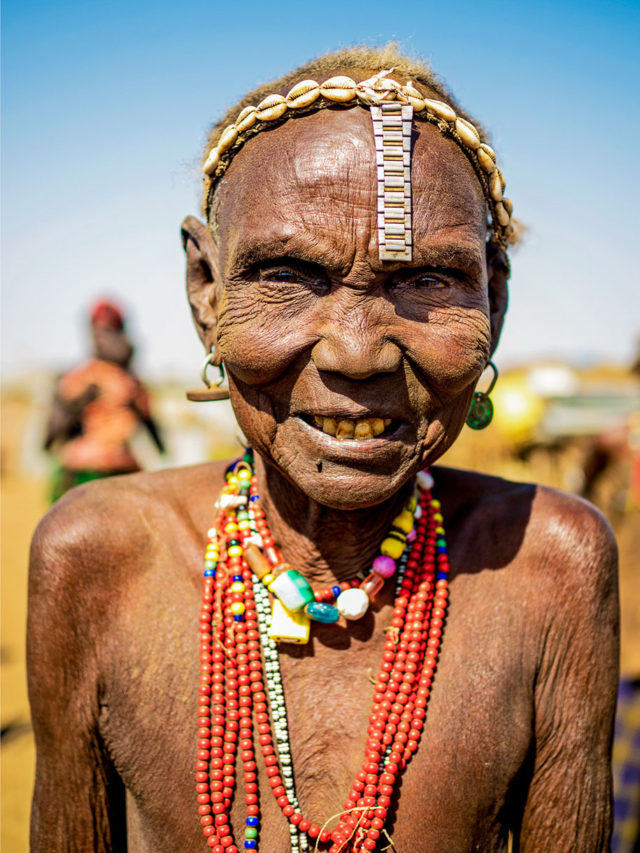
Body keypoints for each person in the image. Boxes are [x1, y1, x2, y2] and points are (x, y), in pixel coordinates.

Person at [28, 46, 619, 852]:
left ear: (497, 296)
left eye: (429, 282)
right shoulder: (96, 560)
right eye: (288, 274)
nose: (356, 353)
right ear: (207, 291)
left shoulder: (548, 566)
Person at [43, 299, 165, 501]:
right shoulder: (83, 381)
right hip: (90, 471)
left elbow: (51, 435)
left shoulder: (81, 379)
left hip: (103, 470)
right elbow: (52, 434)